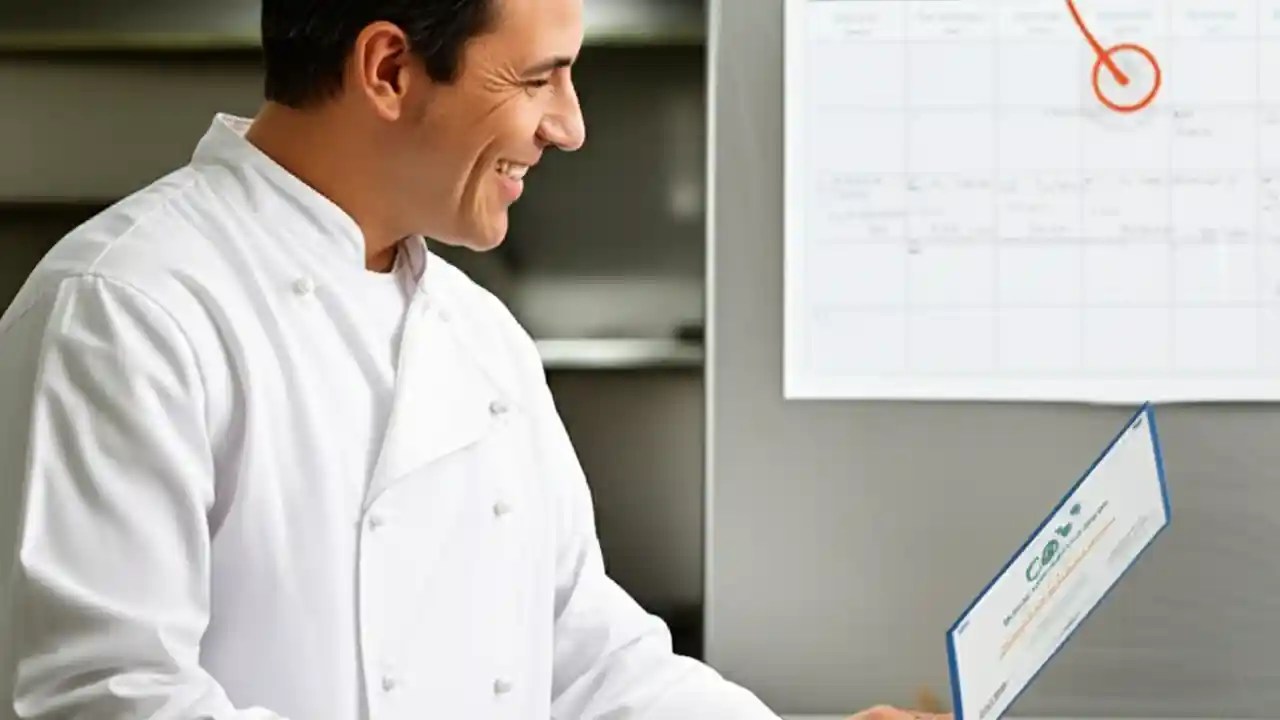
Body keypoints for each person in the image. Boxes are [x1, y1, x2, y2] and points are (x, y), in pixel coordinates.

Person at [0, 0, 951, 718]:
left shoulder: (479, 332)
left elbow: (582, 651)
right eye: (538, 80)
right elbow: (108, 696)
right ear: (389, 70)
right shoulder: (130, 308)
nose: (570, 125)